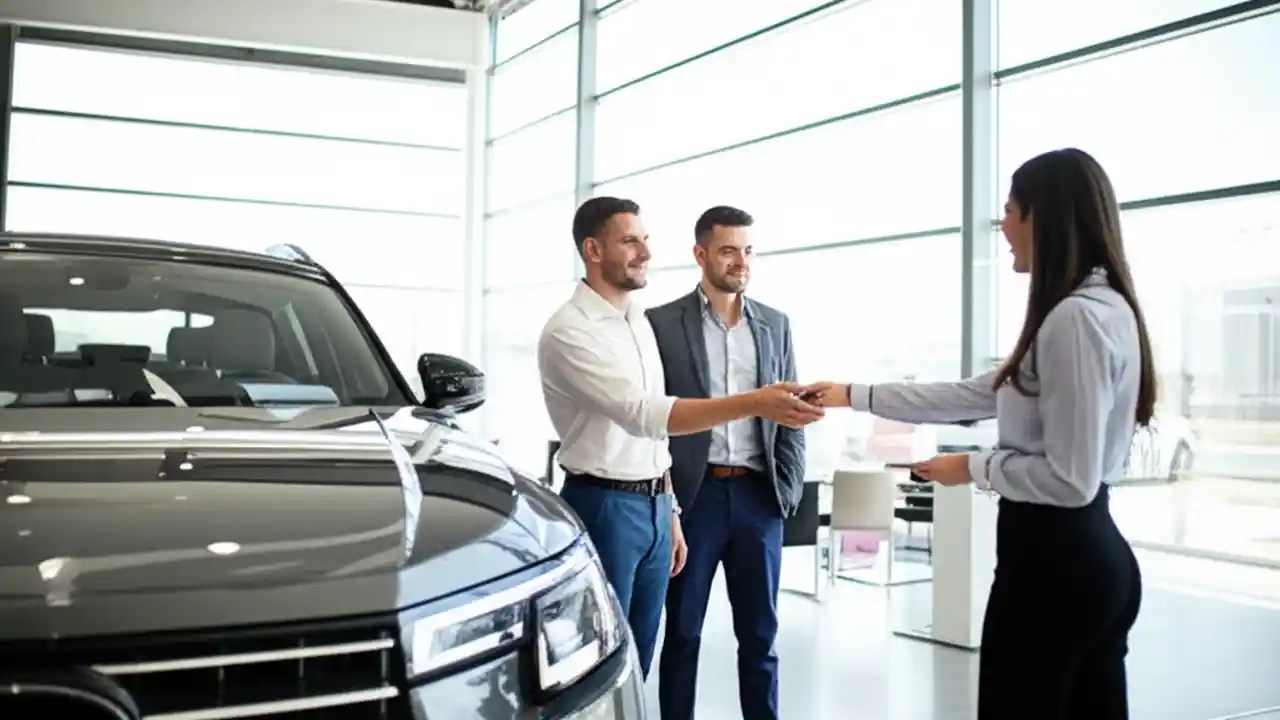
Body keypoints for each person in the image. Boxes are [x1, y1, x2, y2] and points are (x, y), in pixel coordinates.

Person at [807, 148, 1152, 719]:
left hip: (1055, 566)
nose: (1004, 227)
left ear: (1043, 216)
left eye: (1010, 210)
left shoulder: (1074, 319)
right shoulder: (1100, 308)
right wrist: (852, 394)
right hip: (1084, 560)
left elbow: (1070, 480)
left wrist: (970, 468)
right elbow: (971, 395)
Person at [537, 196, 824, 678]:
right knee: (605, 661)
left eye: (645, 240)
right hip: (606, 505)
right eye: (630, 241)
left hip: (657, 505)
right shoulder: (571, 330)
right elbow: (644, 415)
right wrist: (754, 401)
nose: (645, 252)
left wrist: (667, 508)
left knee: (640, 657)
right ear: (592, 249)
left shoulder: (637, 323)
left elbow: (656, 445)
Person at [646, 206, 801, 720]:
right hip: (695, 498)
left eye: (748, 250)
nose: (741, 261)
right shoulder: (661, 324)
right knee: (683, 631)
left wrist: (787, 490)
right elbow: (654, 420)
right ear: (701, 255)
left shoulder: (775, 325)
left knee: (761, 635)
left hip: (759, 498)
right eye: (729, 250)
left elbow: (791, 416)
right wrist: (666, 500)